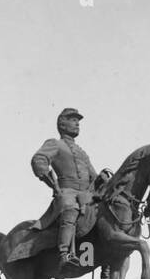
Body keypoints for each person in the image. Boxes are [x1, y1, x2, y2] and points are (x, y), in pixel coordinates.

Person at [31, 108, 111, 268]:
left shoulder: (82, 153)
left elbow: (92, 176)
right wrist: (49, 180)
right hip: (67, 191)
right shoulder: (55, 144)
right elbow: (39, 159)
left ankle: (107, 271)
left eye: (78, 121)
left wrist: (101, 179)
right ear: (62, 123)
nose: (77, 124)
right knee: (71, 208)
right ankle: (64, 254)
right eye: (73, 120)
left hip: (85, 194)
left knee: (106, 216)